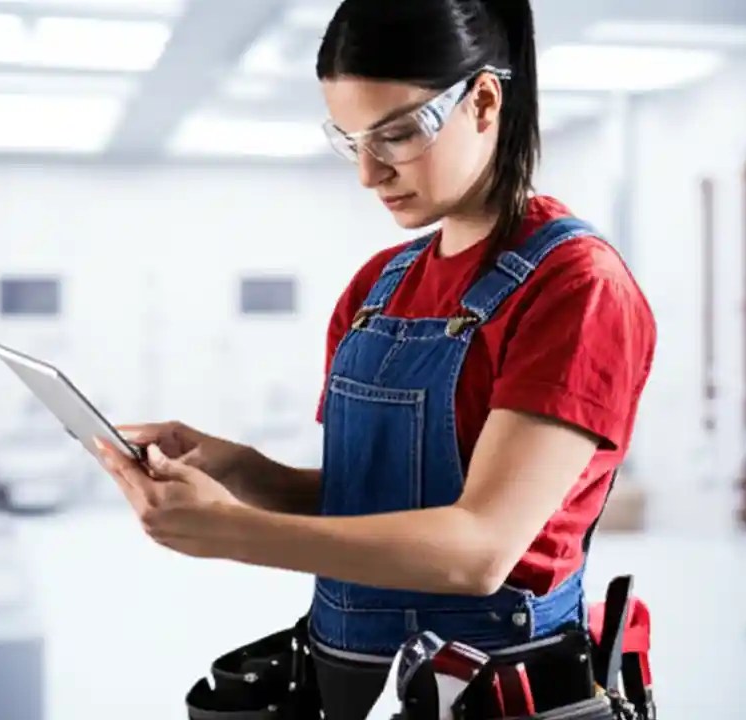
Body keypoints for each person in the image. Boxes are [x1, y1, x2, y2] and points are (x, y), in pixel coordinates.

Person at [94, 0, 656, 716]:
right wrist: (239, 470)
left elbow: (478, 549)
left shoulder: (576, 288)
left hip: (492, 690)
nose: (369, 173)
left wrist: (231, 533)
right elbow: (373, 501)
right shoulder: (377, 286)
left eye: (396, 135)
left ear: (483, 100)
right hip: (346, 685)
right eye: (351, 139)